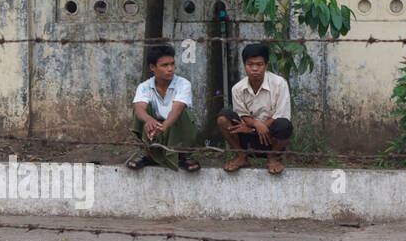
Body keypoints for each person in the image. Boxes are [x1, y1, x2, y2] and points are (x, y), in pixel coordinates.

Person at [218, 43, 294, 174]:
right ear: (244, 66)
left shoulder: (279, 84)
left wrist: (259, 127)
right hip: (247, 135)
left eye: (259, 64)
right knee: (223, 118)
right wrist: (254, 125)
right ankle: (241, 156)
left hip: (271, 136)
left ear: (266, 66)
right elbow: (242, 114)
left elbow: (281, 114)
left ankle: (272, 158)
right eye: (250, 64)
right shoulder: (238, 88)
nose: (254, 69)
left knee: (284, 124)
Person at [126, 44, 201, 172]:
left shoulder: (183, 84)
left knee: (183, 112)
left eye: (172, 64)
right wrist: (149, 119)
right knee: (139, 111)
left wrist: (164, 126)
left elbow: (177, 110)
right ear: (152, 67)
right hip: (155, 128)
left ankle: (183, 156)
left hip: (176, 127)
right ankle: (148, 153)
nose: (170, 69)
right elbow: (139, 108)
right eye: (165, 65)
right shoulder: (144, 87)